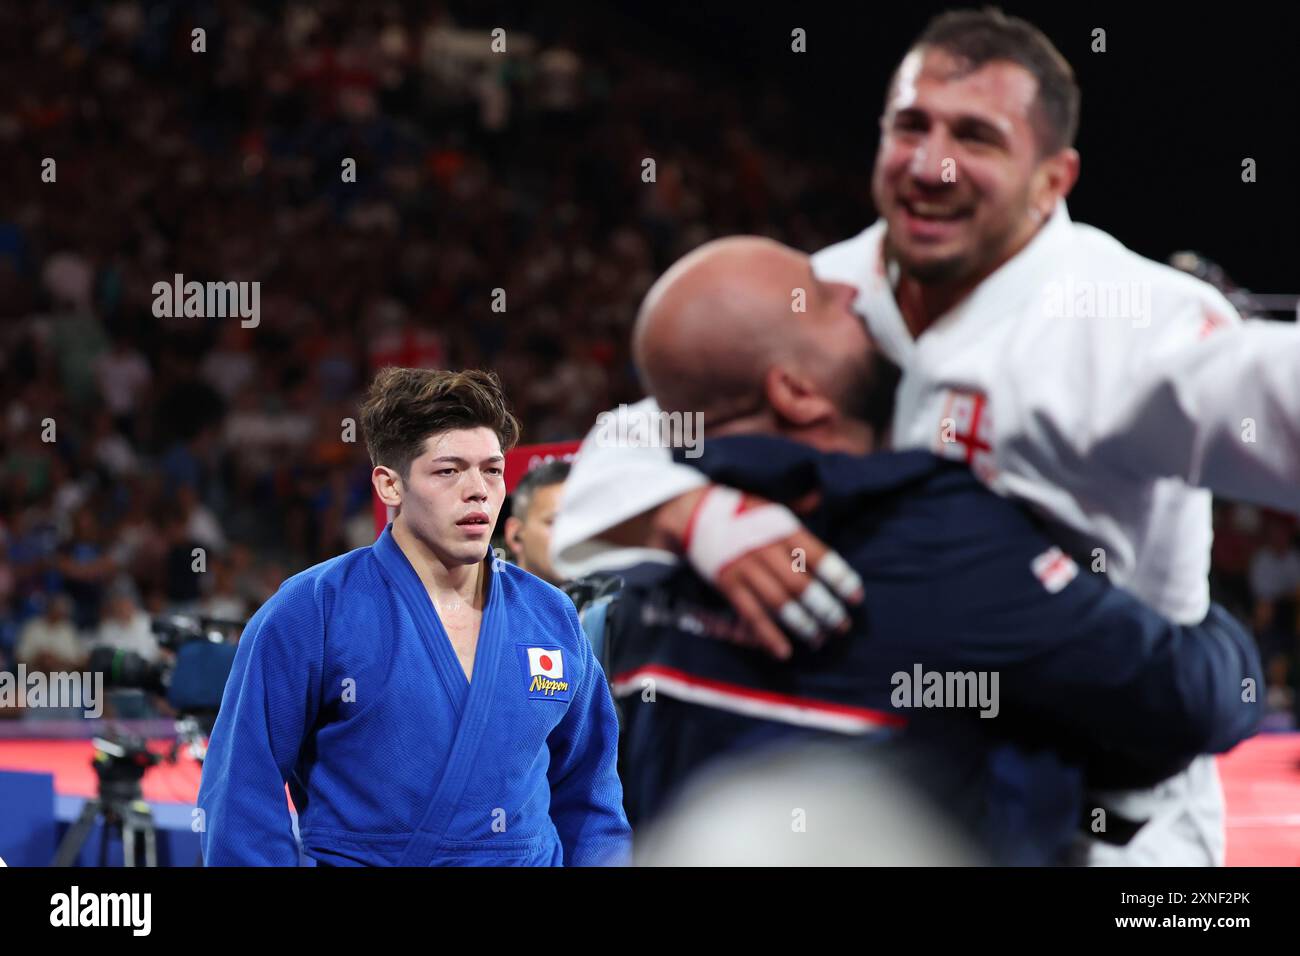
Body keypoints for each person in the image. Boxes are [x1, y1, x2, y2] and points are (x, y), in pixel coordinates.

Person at [552, 9, 1300, 865]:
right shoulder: (823, 296)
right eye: (911, 125)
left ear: (1054, 178)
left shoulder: (1132, 318)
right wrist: (699, 513)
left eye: (976, 136)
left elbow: (1267, 392)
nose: (929, 162)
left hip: (1112, 788)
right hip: (878, 769)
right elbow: (620, 450)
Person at [606, 236, 1262, 864]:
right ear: (796, 391)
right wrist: (1204, 616)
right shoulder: (933, 536)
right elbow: (1191, 703)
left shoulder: (638, 561)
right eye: (826, 300)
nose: (858, 296)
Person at [197, 368, 630, 866]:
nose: (478, 491)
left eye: (492, 470)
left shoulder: (550, 614)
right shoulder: (312, 609)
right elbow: (241, 798)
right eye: (448, 470)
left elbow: (592, 799)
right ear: (390, 485)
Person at [503, 460, 570, 587]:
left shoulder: (610, 597)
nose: (572, 534)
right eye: (554, 523)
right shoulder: (487, 599)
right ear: (515, 534)